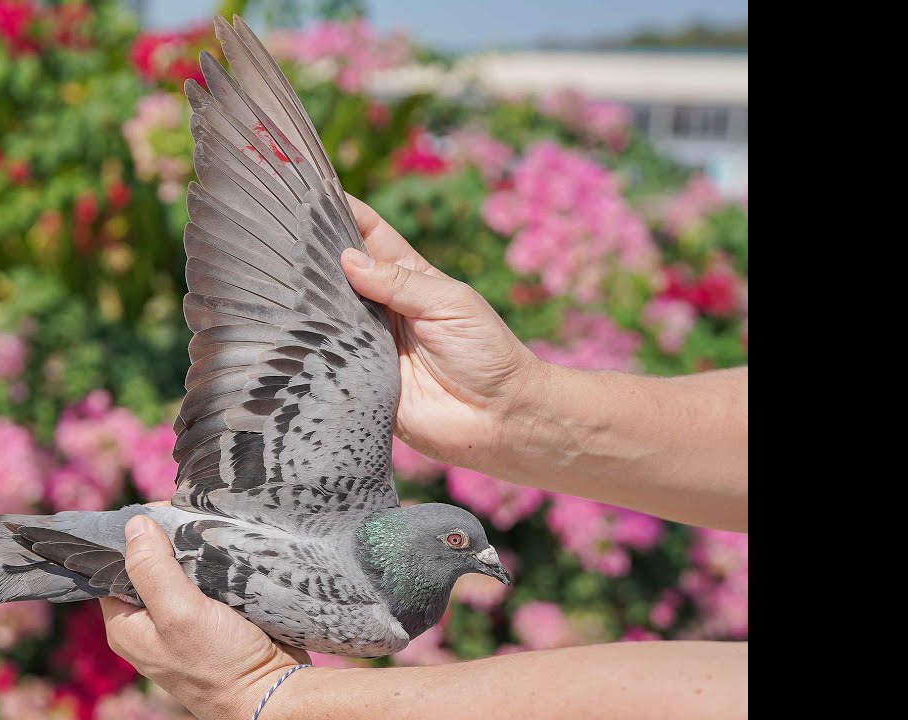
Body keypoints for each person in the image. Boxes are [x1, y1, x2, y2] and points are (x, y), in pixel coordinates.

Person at [99, 196, 748, 720]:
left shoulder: (384, 601)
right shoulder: (376, 599)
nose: (488, 558)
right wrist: (511, 406)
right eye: (470, 545)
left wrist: (273, 699)